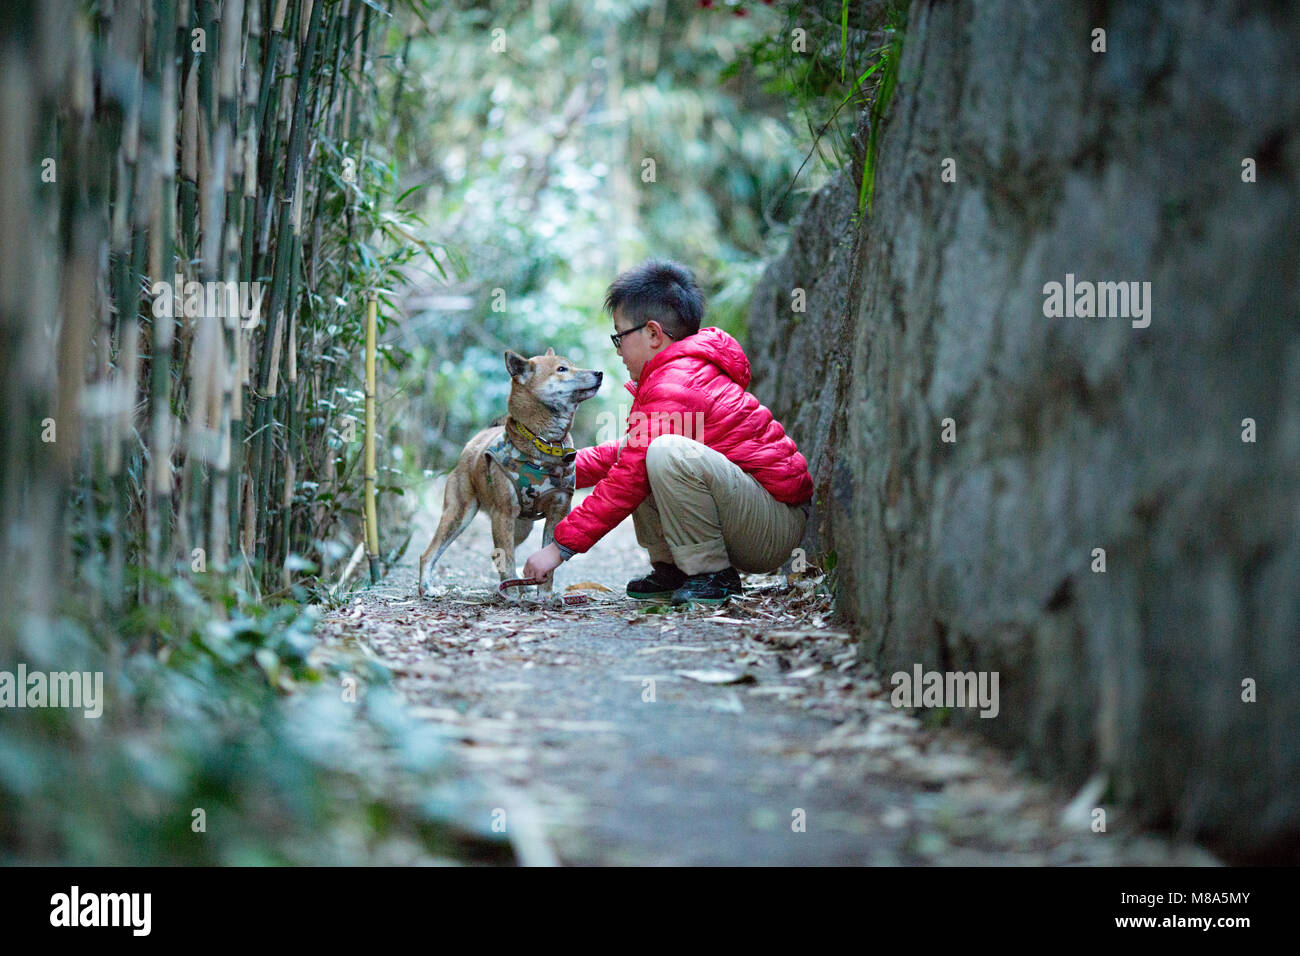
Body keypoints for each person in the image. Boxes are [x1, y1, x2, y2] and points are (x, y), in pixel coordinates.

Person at [522, 259, 813, 605]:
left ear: (653, 334)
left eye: (620, 336)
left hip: (774, 527)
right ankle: (673, 570)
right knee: (648, 454)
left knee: (664, 454)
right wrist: (544, 467)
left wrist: (558, 549)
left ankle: (712, 575)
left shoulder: (677, 382)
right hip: (758, 516)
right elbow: (626, 455)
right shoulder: (676, 374)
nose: (618, 351)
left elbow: (626, 479)